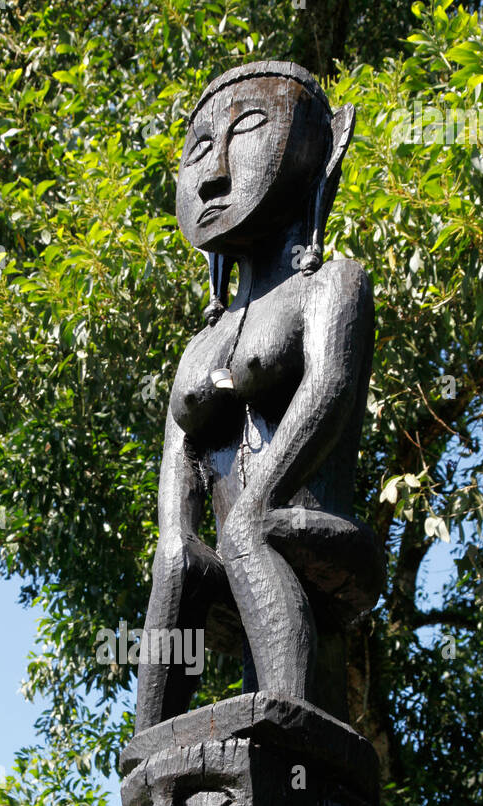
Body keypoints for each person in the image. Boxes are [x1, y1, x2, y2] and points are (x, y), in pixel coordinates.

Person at [136, 61, 382, 733]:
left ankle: (291, 728)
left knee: (248, 529)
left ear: (323, 147)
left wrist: (262, 496)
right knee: (177, 559)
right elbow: (178, 459)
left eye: (247, 131)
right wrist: (177, 535)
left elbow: (328, 391)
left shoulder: (331, 283)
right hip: (235, 566)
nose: (212, 172)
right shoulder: (198, 346)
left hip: (307, 531)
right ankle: (146, 761)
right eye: (196, 151)